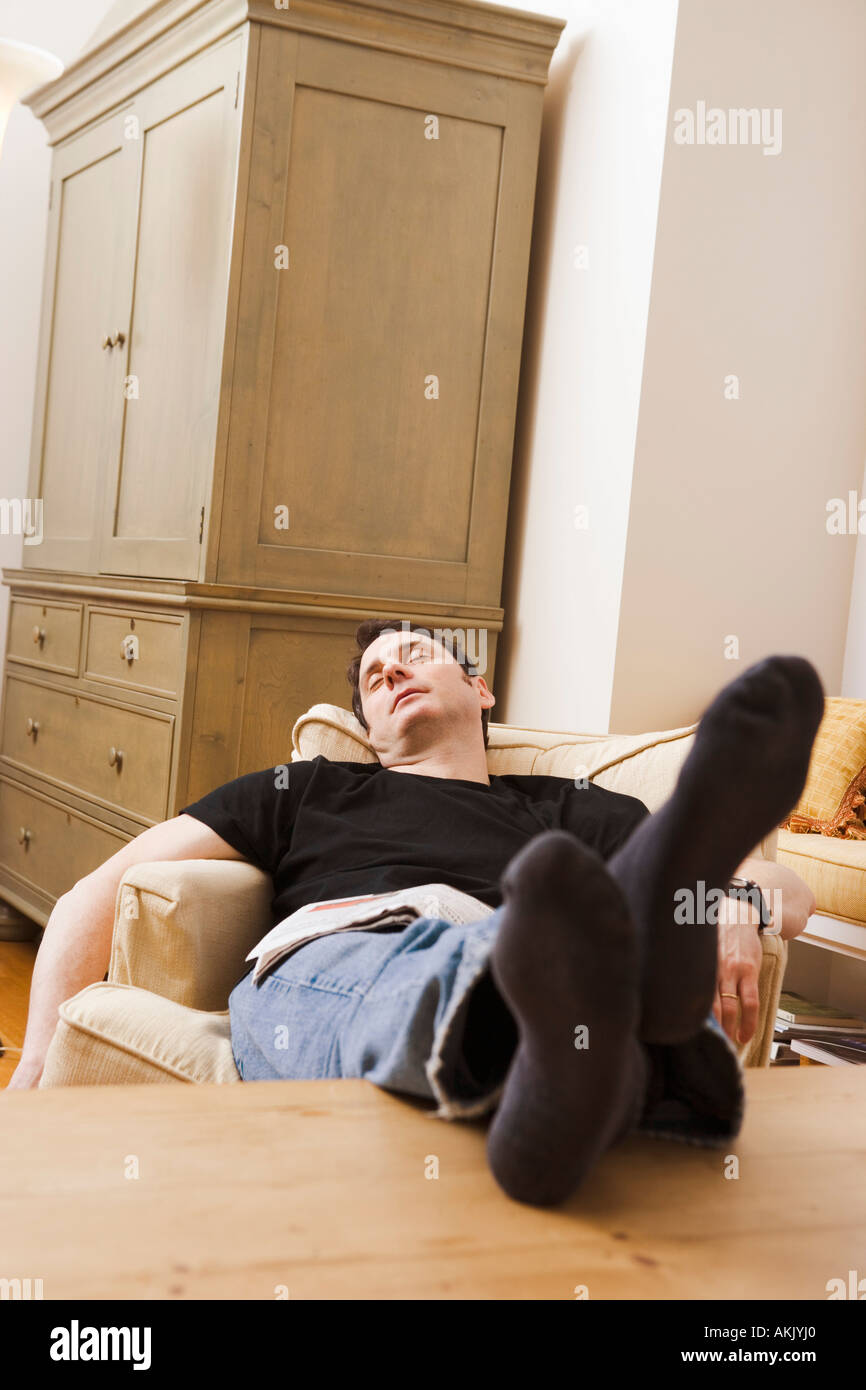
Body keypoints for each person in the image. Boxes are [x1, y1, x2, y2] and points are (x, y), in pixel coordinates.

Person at [9, 618, 821, 1209]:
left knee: (604, 951)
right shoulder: (310, 790)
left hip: (543, 963)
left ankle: (550, 1105)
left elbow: (795, 897)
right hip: (347, 950)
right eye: (373, 677)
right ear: (367, 725)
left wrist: (732, 899)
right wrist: (32, 1074)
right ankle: (575, 998)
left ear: (479, 687)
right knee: (549, 955)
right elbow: (96, 892)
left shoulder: (567, 808)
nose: (391, 673)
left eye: (415, 655)